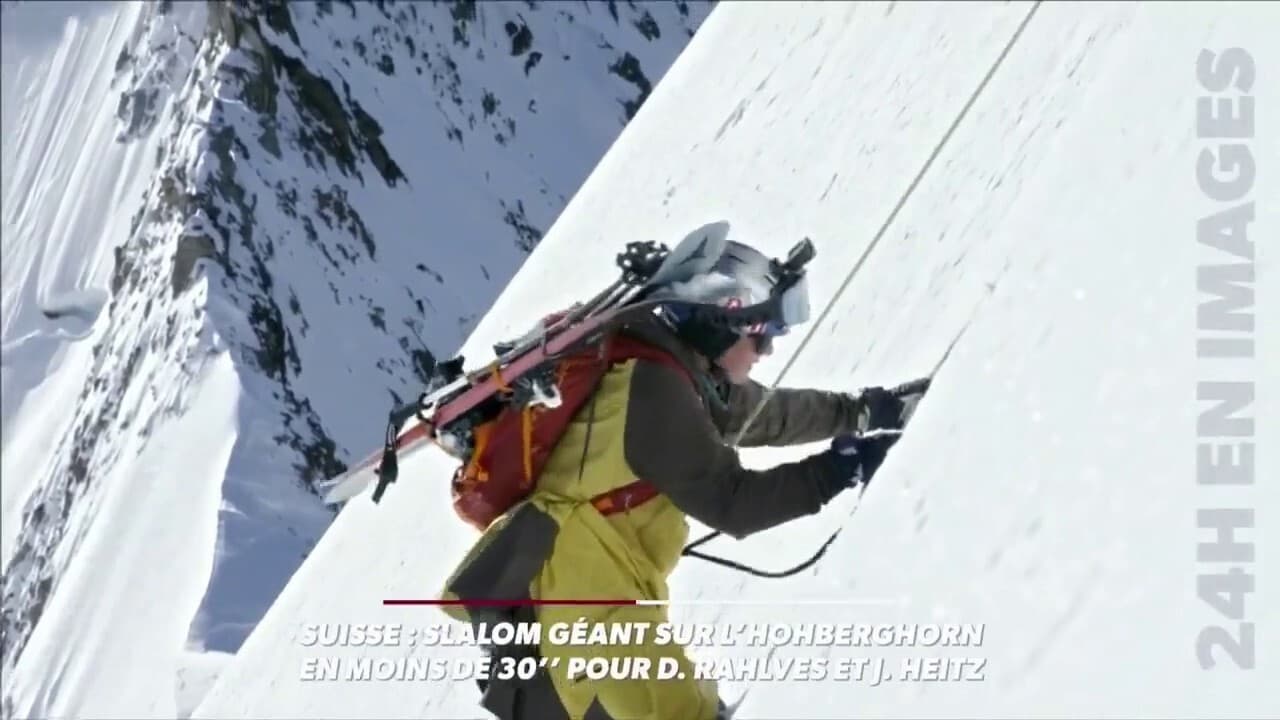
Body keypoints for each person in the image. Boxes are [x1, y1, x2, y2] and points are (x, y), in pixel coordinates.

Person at [439, 232, 928, 720]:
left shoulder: (666, 367)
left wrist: (863, 411)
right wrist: (840, 468)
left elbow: (764, 414)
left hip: (564, 588)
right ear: (720, 324)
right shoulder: (654, 391)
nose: (766, 352)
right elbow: (734, 503)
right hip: (581, 595)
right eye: (760, 335)